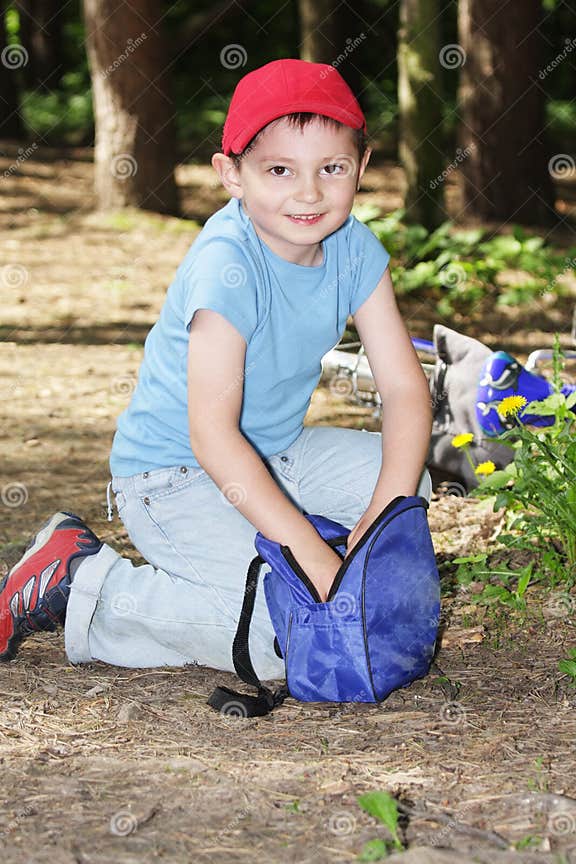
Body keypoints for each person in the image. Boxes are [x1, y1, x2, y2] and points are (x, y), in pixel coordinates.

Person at [0, 58, 432, 682]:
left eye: (331, 169)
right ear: (231, 174)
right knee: (275, 642)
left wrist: (383, 505)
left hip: (279, 454)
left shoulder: (353, 247)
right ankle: (81, 581)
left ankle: (281, 561)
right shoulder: (227, 265)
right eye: (279, 170)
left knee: (405, 491)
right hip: (174, 475)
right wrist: (310, 553)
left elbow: (402, 388)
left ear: (361, 168)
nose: (308, 193)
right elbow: (212, 434)